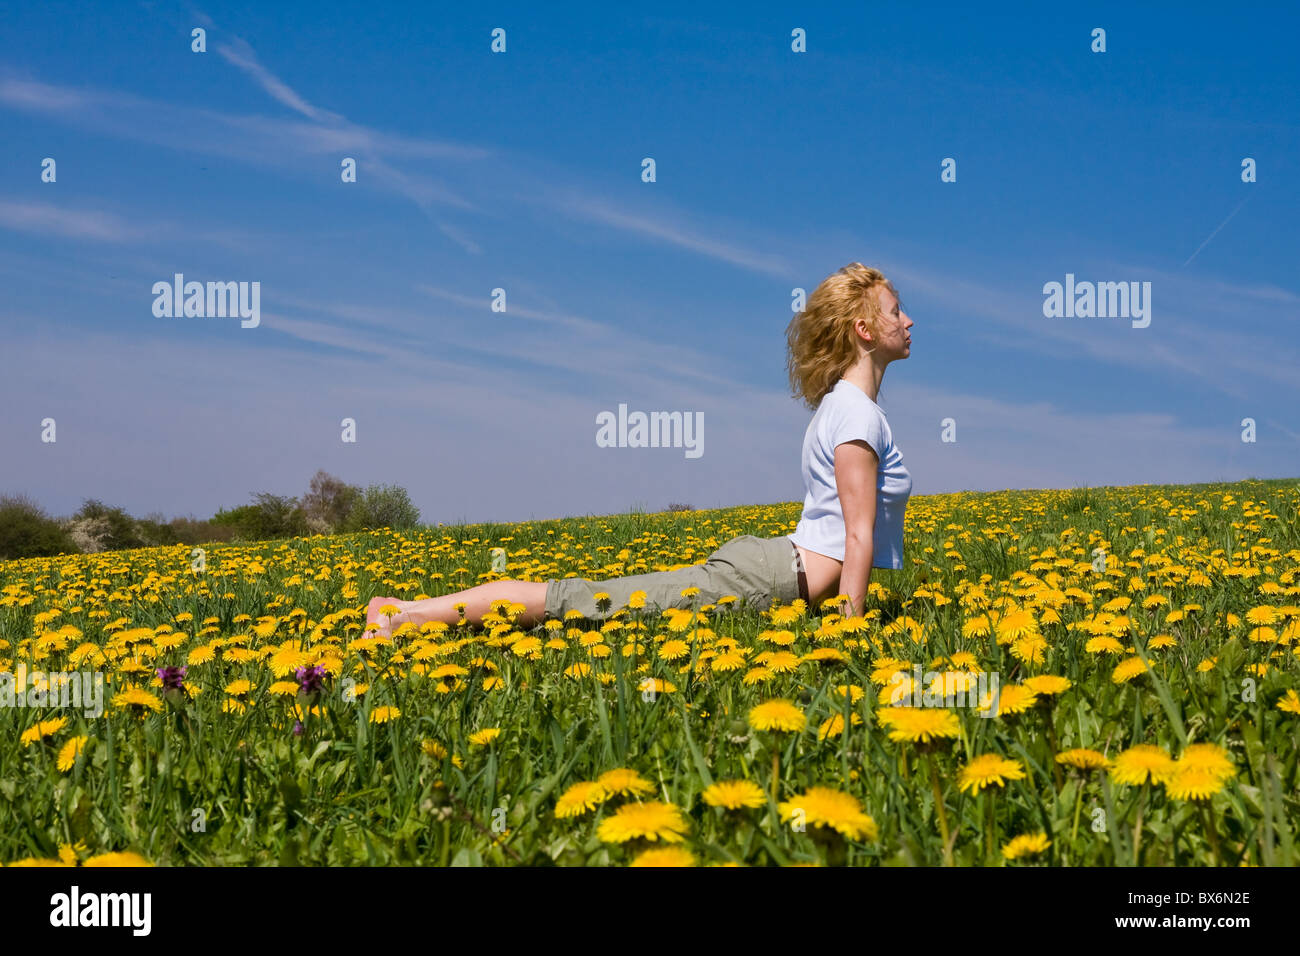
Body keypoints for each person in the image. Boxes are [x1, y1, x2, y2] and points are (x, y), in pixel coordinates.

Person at [363, 262, 913, 636]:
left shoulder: (844, 407)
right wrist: (849, 638)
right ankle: (403, 616)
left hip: (774, 570)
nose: (907, 321)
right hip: (769, 579)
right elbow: (857, 533)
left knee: (597, 596)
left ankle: (407, 613)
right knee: (584, 600)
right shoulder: (856, 413)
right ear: (864, 329)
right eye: (895, 311)